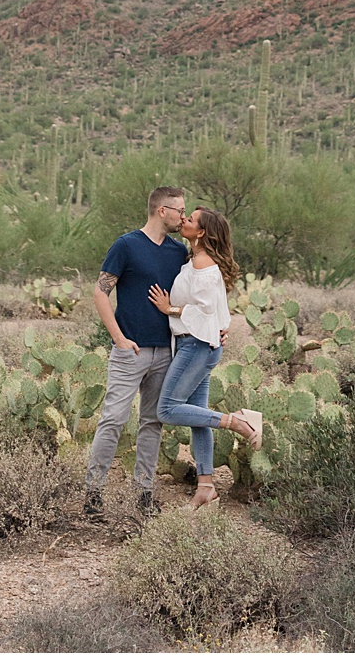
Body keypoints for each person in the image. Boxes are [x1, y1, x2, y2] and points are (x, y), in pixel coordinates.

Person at [84, 186, 189, 518]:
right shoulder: (126, 245)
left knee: (152, 423)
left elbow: (198, 289)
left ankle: (144, 493)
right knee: (113, 419)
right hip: (130, 350)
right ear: (162, 210)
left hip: (166, 351)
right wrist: (118, 338)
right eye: (179, 210)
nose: (183, 216)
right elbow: (101, 293)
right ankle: (93, 493)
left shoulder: (178, 251)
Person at [149, 206, 262, 510]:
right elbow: (217, 308)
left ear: (201, 232)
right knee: (198, 418)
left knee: (168, 409)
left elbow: (204, 310)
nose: (184, 220)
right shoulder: (197, 261)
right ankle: (206, 488)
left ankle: (237, 421)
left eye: (191, 219)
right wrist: (219, 330)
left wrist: (168, 309)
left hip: (196, 346)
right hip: (200, 343)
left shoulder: (201, 262)